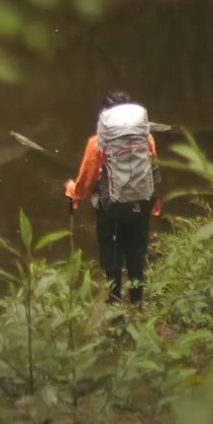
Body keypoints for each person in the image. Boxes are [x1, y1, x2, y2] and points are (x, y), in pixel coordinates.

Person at [64, 90, 160, 306]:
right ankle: (137, 302)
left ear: (105, 115)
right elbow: (154, 171)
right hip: (141, 203)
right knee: (136, 251)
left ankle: (114, 301)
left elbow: (86, 180)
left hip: (110, 209)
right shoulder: (147, 137)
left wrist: (73, 193)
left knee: (111, 253)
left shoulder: (97, 143)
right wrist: (155, 201)